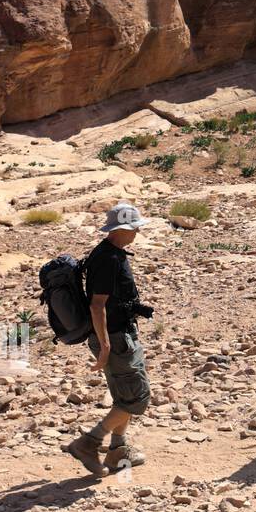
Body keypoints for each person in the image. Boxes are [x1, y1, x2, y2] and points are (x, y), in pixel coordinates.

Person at [63, 203, 154, 476]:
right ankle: (88, 443)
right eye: (134, 226)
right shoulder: (108, 259)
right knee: (136, 398)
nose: (138, 230)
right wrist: (105, 347)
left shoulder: (110, 253)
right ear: (122, 229)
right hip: (114, 338)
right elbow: (97, 305)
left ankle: (117, 450)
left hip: (116, 336)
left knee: (122, 396)